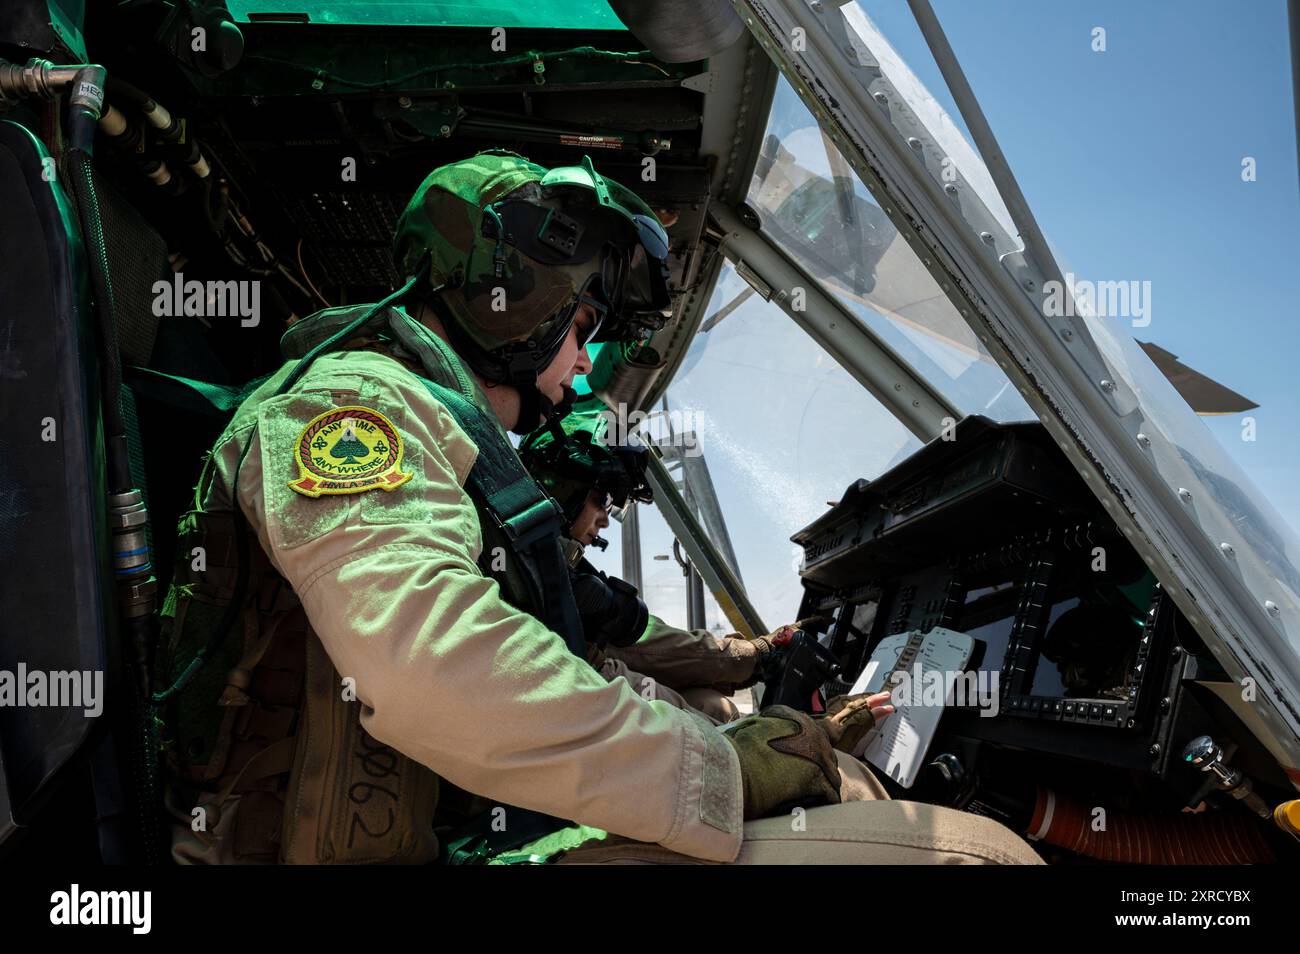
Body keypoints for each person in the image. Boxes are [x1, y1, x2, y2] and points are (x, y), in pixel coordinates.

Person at [157, 149, 1044, 865]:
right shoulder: (354, 406)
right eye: (581, 329)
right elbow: (428, 662)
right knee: (969, 855)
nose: (584, 367)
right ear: (511, 294)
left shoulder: (427, 423)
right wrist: (716, 770)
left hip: (445, 830)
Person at [519, 405, 790, 724]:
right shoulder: (549, 584)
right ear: (567, 488)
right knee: (714, 713)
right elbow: (636, 650)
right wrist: (756, 657)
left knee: (712, 704)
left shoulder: (545, 567)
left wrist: (751, 657)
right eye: (605, 499)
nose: (606, 520)